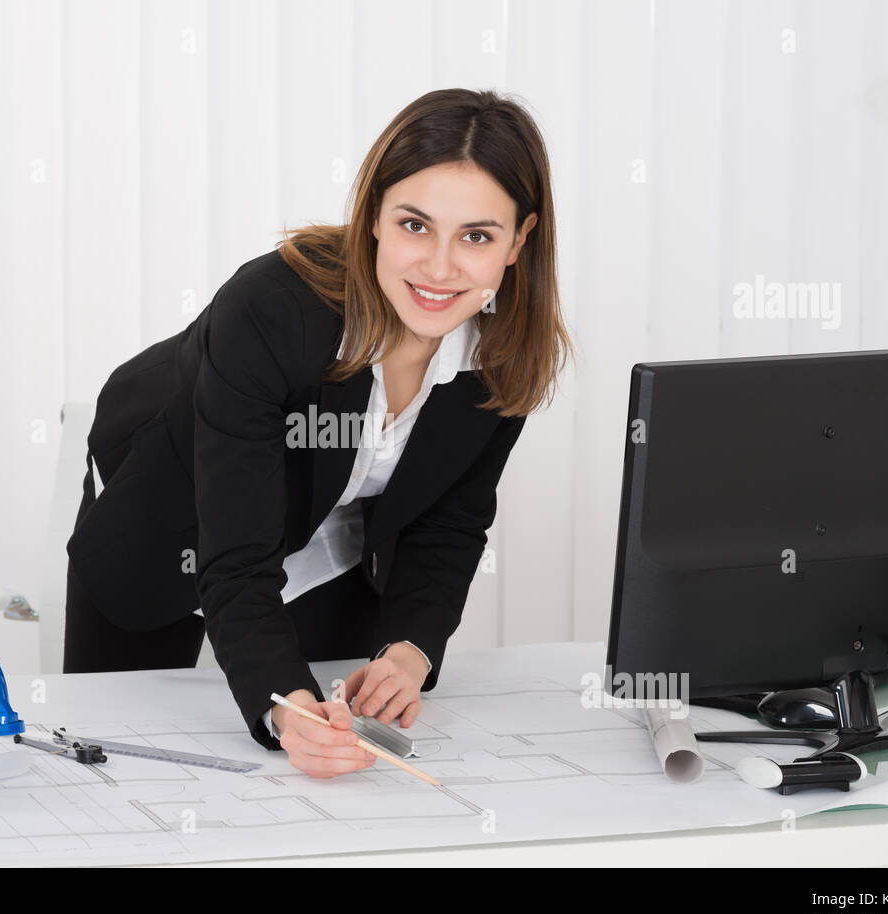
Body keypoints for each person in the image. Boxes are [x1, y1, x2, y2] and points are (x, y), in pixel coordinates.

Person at [65, 87, 571, 779]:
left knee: (337, 759)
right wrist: (283, 709)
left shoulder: (502, 353)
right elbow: (236, 556)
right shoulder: (271, 310)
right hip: (170, 501)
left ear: (520, 240)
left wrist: (408, 652)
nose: (440, 266)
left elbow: (448, 524)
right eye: (414, 225)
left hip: (324, 524)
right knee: (111, 759)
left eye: (477, 236)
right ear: (372, 218)